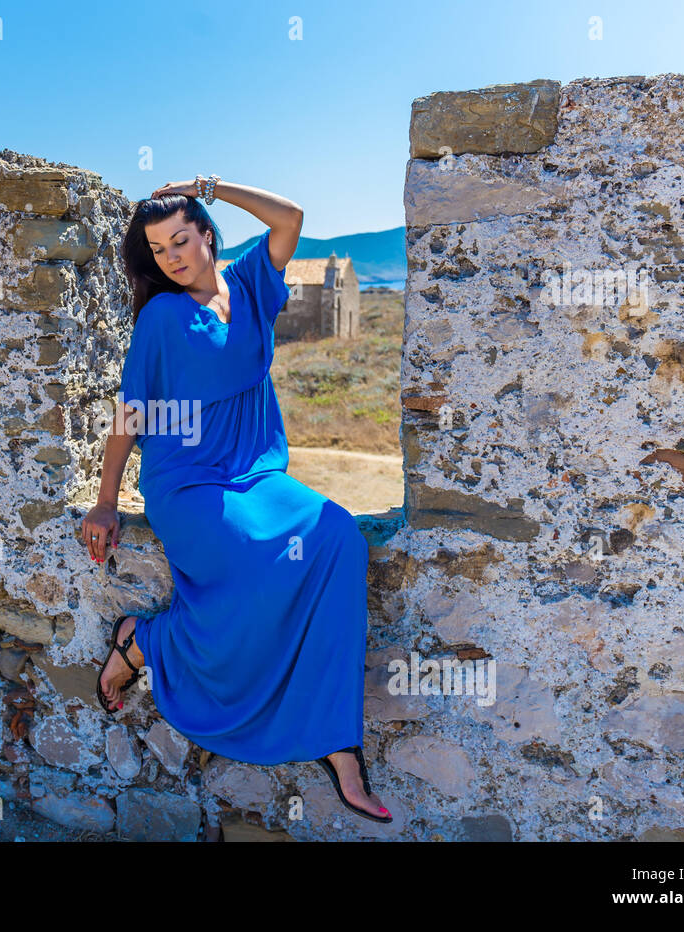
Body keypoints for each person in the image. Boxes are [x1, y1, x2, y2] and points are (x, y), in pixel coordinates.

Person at [80, 176, 390, 823]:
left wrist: (210, 185)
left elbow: (291, 218)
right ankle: (147, 644)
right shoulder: (163, 316)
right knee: (255, 559)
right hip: (187, 480)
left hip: (257, 469)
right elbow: (131, 410)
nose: (171, 257)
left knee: (339, 540)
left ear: (205, 233)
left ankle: (337, 742)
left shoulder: (248, 282)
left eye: (180, 240)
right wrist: (107, 500)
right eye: (158, 249)